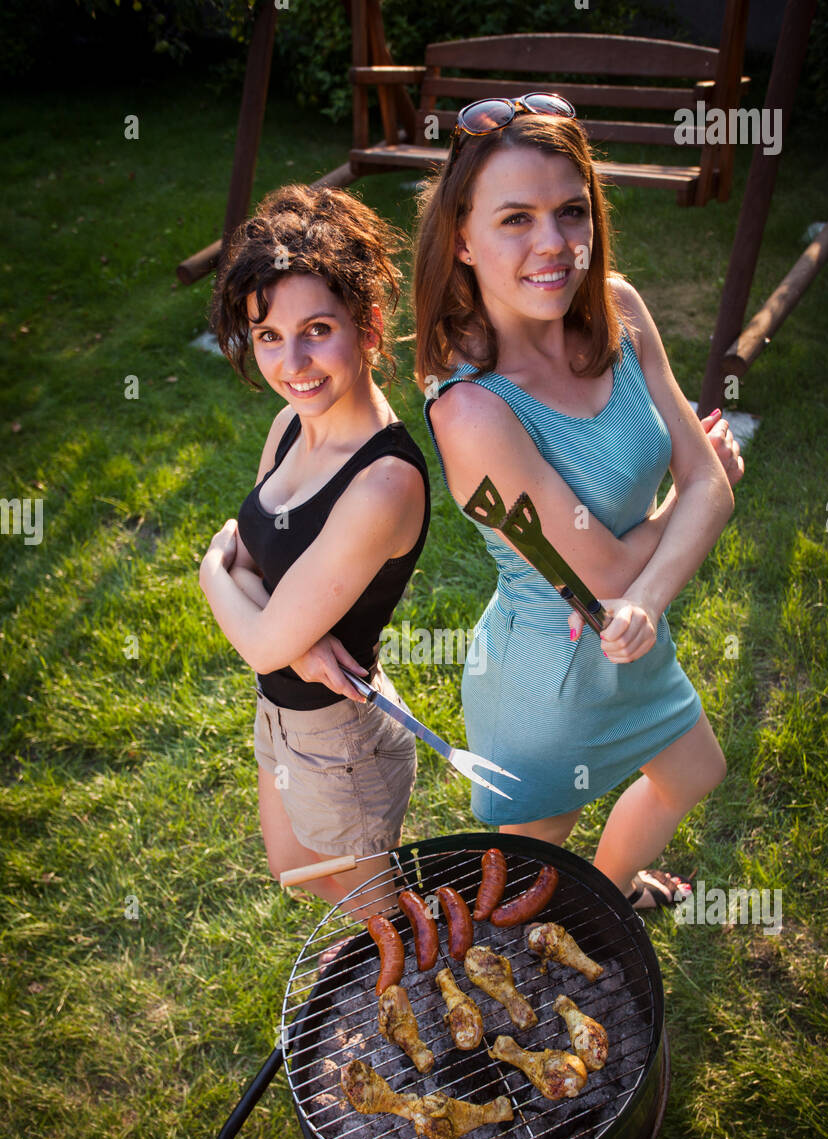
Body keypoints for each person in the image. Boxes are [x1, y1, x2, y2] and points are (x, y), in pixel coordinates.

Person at [414, 94, 744, 911]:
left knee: (695, 773)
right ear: (461, 237)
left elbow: (708, 497)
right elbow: (628, 556)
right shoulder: (475, 412)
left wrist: (649, 598)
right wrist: (691, 499)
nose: (555, 245)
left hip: (634, 644)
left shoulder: (622, 312)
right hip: (546, 685)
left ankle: (607, 896)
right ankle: (546, 947)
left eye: (571, 211)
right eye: (515, 219)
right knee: (508, 899)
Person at [199, 185, 430, 918]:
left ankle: (414, 962)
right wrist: (291, 649)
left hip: (338, 739)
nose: (292, 361)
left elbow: (241, 583)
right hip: (284, 710)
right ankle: (388, 932)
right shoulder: (293, 424)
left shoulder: (382, 483)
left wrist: (210, 570)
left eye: (317, 329)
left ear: (368, 325)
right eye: (268, 336)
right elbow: (262, 588)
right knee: (291, 867)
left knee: (379, 914)